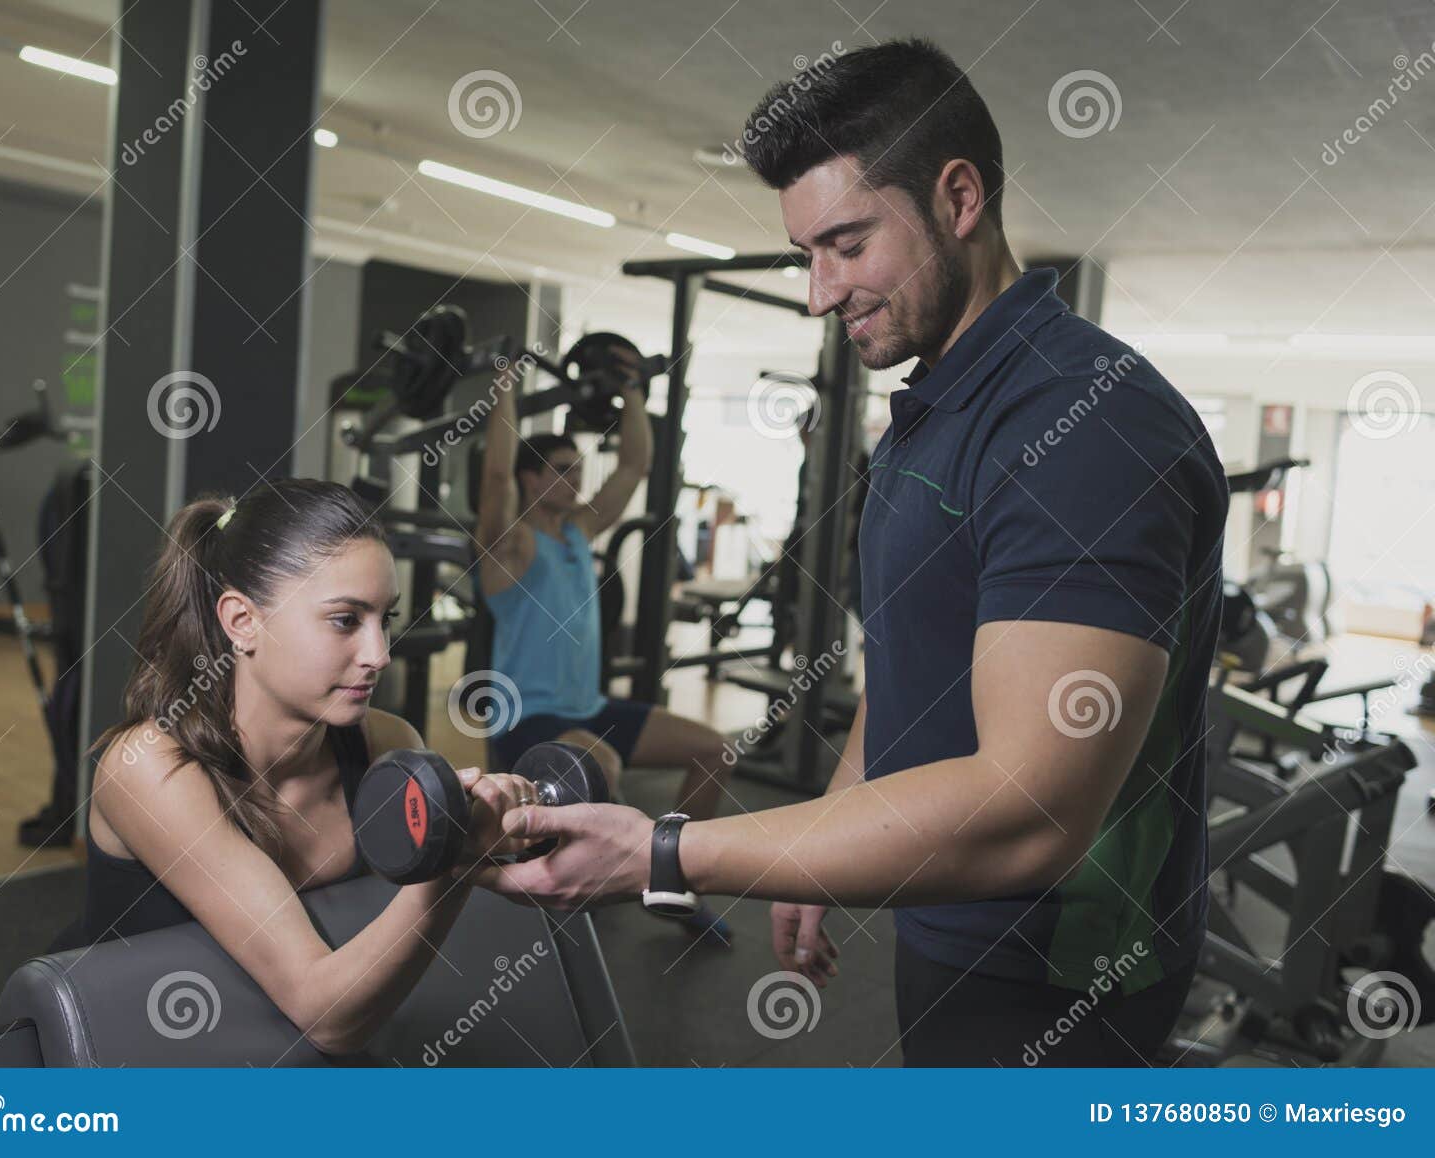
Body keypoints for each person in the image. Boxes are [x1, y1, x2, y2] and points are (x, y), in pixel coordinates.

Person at [470, 38, 1229, 1067]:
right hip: (946, 915)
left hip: (1054, 964)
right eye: (806, 256)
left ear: (958, 198)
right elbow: (908, 654)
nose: (821, 293)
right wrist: (817, 843)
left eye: (846, 244)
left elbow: (1030, 816)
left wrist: (666, 850)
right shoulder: (927, 414)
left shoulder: (1082, 427)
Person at [53, 479, 542, 1057]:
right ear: (241, 621)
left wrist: (505, 828)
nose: (380, 653)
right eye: (344, 620)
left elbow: (385, 954)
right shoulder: (151, 770)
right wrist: (454, 865)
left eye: (385, 619)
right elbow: (326, 1014)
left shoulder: (386, 743)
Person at [474, 352, 737, 943]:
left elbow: (634, 465)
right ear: (531, 478)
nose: (576, 480)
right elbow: (493, 481)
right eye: (562, 470)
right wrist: (503, 389)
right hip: (528, 718)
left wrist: (633, 392)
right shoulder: (510, 547)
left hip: (588, 708)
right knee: (603, 765)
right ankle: (577, 884)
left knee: (714, 752)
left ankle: (668, 879)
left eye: (576, 469)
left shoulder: (579, 533)